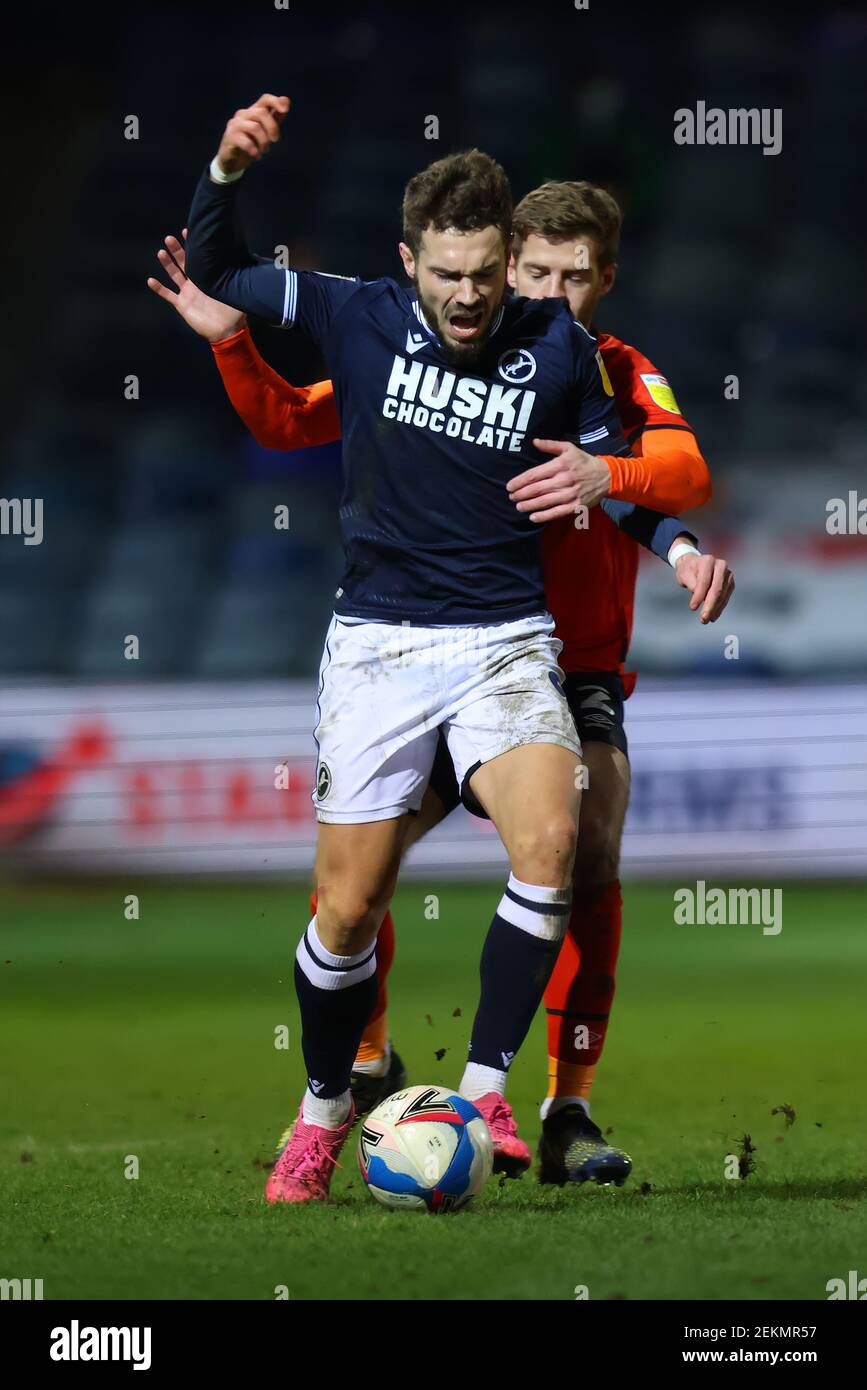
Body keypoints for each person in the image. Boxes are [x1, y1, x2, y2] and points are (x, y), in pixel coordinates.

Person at [177, 94, 720, 1202]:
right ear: (414, 262)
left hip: (515, 644)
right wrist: (229, 168)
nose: (478, 296)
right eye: (461, 274)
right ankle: (332, 1095)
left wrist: (665, 535)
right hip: (380, 646)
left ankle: (493, 1092)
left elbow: (652, 476)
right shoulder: (359, 319)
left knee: (564, 835)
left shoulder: (573, 356)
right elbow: (233, 284)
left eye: (493, 275)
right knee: (346, 906)